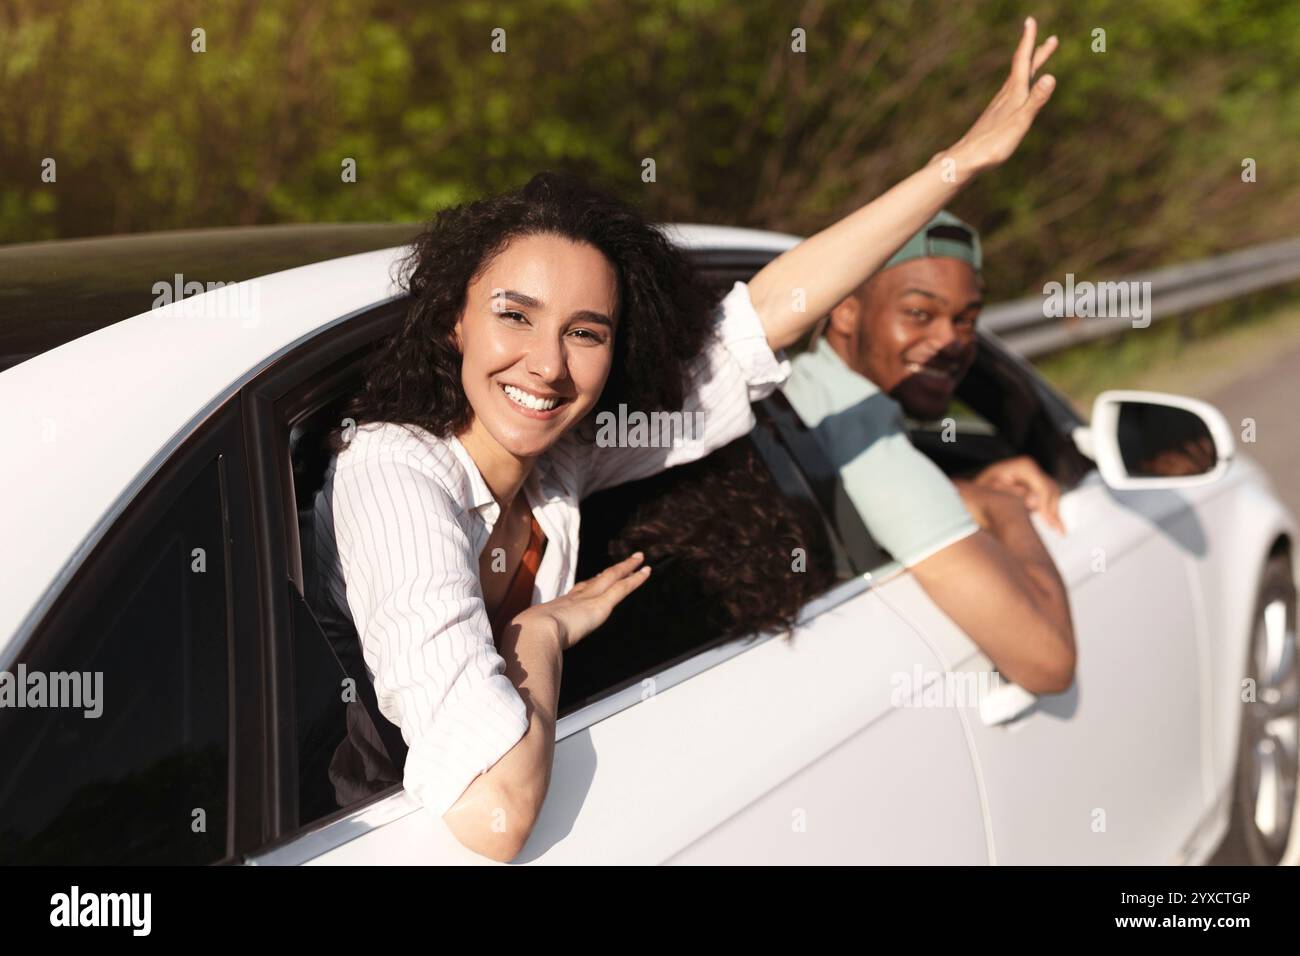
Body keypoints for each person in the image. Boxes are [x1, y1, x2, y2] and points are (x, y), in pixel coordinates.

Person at [312, 17, 1061, 862]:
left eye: (586, 333)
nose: (547, 366)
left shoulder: (559, 462)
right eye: (514, 316)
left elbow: (758, 328)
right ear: (454, 319)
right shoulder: (393, 473)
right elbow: (496, 818)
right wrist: (540, 635)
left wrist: (952, 166)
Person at [783, 209, 1076, 698]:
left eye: (967, 320)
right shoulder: (863, 433)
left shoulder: (800, 390)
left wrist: (961, 489)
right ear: (846, 309)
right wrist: (1001, 508)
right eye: (919, 313)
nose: (950, 341)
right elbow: (1049, 661)